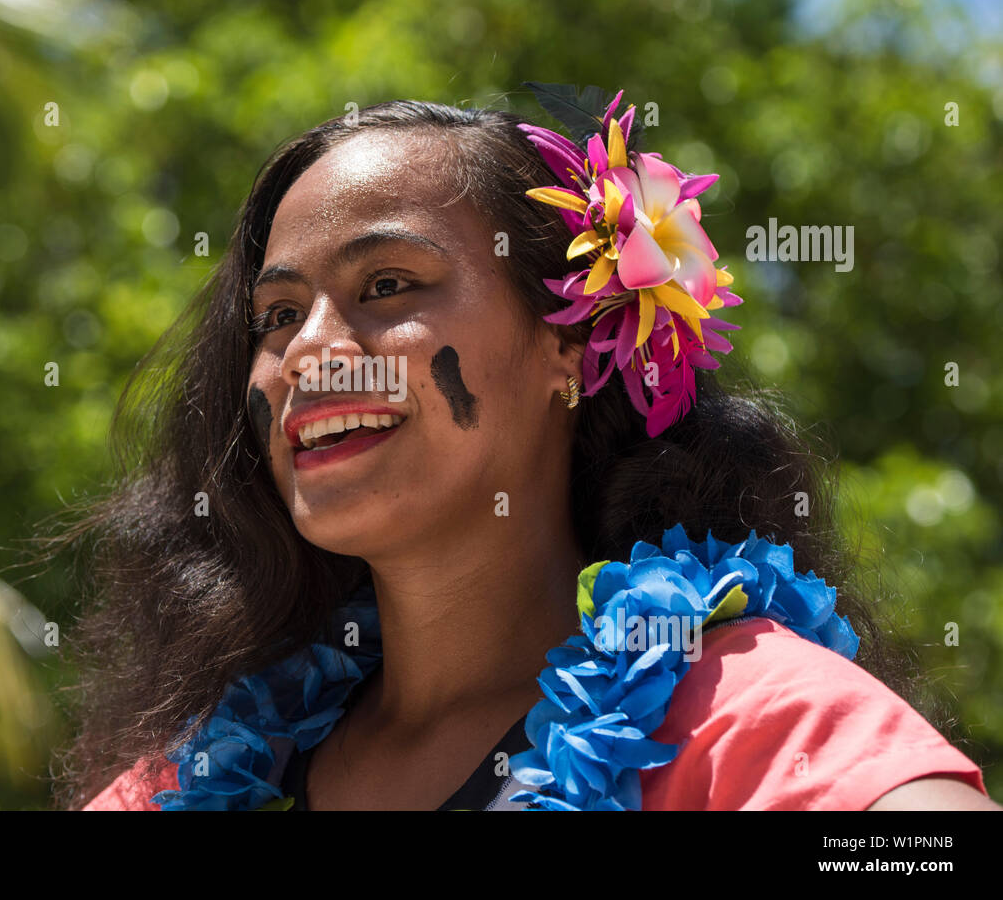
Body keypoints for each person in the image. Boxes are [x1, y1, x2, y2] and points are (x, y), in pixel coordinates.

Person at [55, 89, 998, 811]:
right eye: (278, 315)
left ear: (568, 349)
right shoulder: (194, 778)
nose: (306, 354)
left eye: (386, 283)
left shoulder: (737, 708)